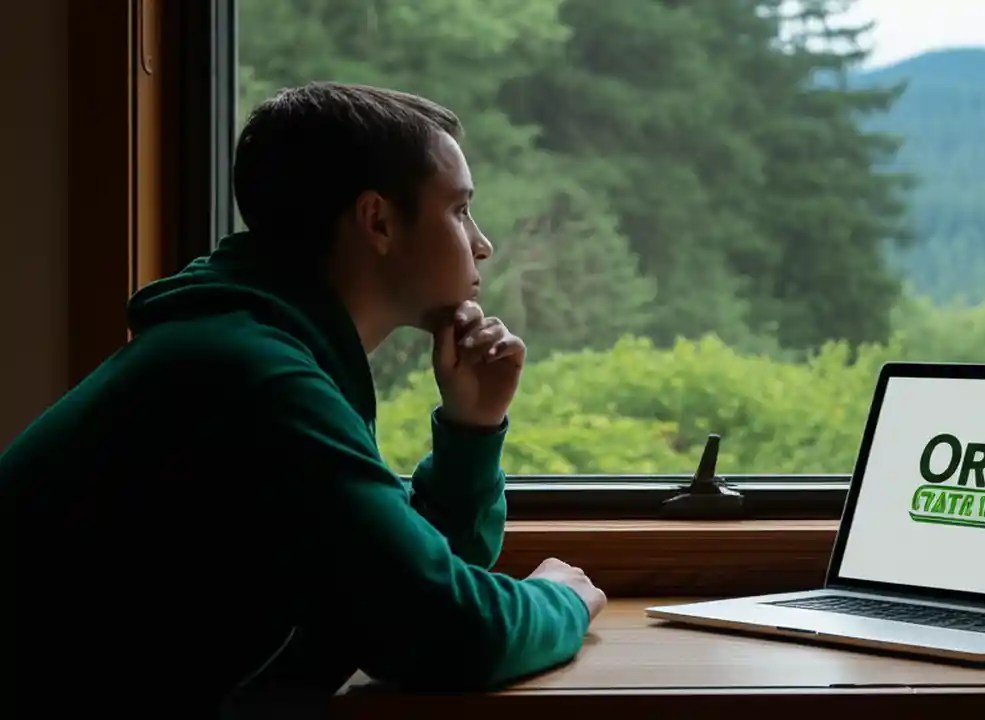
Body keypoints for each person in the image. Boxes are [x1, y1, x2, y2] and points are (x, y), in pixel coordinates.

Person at [0, 82, 606, 714]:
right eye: (459, 210)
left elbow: (388, 583)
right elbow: (444, 631)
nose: (482, 243)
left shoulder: (247, 350)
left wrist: (471, 433)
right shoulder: (258, 380)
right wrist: (561, 599)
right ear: (377, 221)